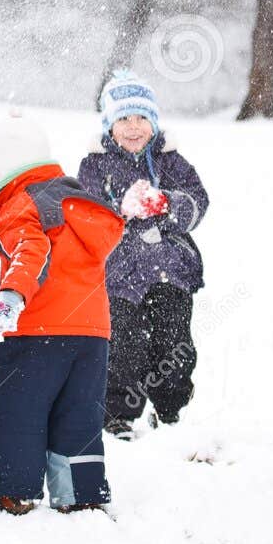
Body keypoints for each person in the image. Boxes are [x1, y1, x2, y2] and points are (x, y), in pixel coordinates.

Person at [0, 115, 124, 514]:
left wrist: (12, 293)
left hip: (40, 330)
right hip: (92, 335)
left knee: (15, 408)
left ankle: (12, 490)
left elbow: (31, 249)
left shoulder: (21, 203)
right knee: (78, 416)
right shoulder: (76, 201)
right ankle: (80, 496)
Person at [78, 72, 210, 438]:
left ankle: (171, 411)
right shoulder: (95, 165)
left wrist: (166, 205)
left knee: (174, 344)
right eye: (124, 119)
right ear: (109, 125)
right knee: (123, 345)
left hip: (172, 271)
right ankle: (118, 413)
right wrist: (119, 208)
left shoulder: (171, 162)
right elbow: (86, 213)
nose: (133, 128)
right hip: (119, 275)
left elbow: (198, 202)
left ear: (153, 122)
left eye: (141, 119)